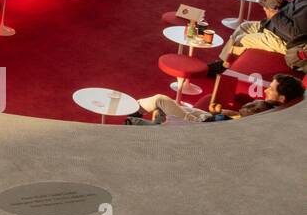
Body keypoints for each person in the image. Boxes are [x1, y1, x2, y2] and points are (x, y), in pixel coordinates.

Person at [209, 0, 307, 75]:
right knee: (243, 26)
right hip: (274, 28)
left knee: (241, 40)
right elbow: (293, 9)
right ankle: (223, 62)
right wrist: (282, 3)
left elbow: (296, 36)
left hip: (283, 41)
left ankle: (226, 69)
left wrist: (275, 16)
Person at [127, 74, 302, 124]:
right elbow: (241, 119)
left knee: (160, 100)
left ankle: (135, 113)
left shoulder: (264, 110)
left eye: (271, 89)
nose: (266, 90)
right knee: (176, 106)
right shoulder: (273, 110)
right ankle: (143, 118)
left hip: (204, 127)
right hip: (212, 120)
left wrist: (221, 115)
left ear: (282, 97)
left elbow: (240, 124)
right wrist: (228, 112)